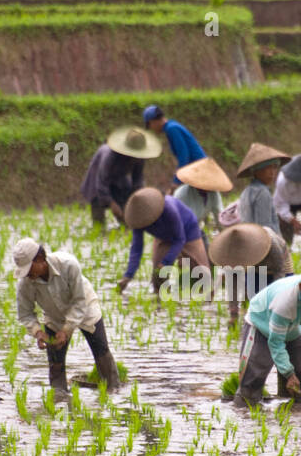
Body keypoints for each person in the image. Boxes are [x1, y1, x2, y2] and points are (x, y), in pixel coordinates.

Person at [13, 237, 120, 394]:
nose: (28, 274)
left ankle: (113, 392)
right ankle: (59, 399)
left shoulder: (68, 265)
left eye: (29, 268)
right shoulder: (25, 283)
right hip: (54, 316)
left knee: (101, 351)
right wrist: (38, 332)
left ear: (41, 258)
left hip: (85, 308)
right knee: (55, 362)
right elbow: (25, 313)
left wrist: (67, 330)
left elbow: (79, 301)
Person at [233, 265, 301, 409]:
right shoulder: (285, 301)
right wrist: (288, 373)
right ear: (300, 288)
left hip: (294, 327)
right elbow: (276, 342)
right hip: (262, 324)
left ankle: (296, 422)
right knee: (251, 384)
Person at [117, 186, 210, 296]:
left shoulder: (169, 210)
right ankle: (161, 303)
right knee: (158, 276)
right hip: (163, 235)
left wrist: (166, 262)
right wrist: (128, 276)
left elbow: (180, 239)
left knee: (203, 275)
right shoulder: (138, 220)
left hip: (188, 230)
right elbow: (136, 249)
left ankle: (204, 300)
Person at [209, 221, 293, 328]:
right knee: (255, 302)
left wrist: (274, 302)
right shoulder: (232, 255)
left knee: (282, 305)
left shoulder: (271, 242)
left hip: (280, 267)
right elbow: (232, 285)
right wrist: (233, 315)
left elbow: (279, 272)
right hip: (256, 270)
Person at [80, 125, 162, 225]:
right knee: (98, 216)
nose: (134, 157)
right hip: (98, 179)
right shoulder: (110, 156)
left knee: (127, 219)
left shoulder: (140, 158)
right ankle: (100, 229)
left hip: (119, 180)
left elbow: (138, 180)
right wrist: (112, 203)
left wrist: (137, 199)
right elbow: (101, 183)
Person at [174, 156, 232, 247]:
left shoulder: (213, 194)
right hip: (180, 234)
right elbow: (176, 224)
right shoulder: (182, 195)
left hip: (196, 231)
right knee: (186, 259)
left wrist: (225, 237)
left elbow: (219, 216)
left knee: (205, 256)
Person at [236, 143, 290, 233]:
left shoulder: (247, 191)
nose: (272, 172)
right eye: (268, 168)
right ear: (256, 171)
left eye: (274, 167)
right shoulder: (262, 192)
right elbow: (265, 229)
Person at [142, 104, 205, 179]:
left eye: (150, 125)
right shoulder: (171, 126)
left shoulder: (171, 129)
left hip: (199, 168)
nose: (151, 128)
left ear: (154, 121)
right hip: (195, 168)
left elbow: (184, 156)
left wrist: (177, 179)